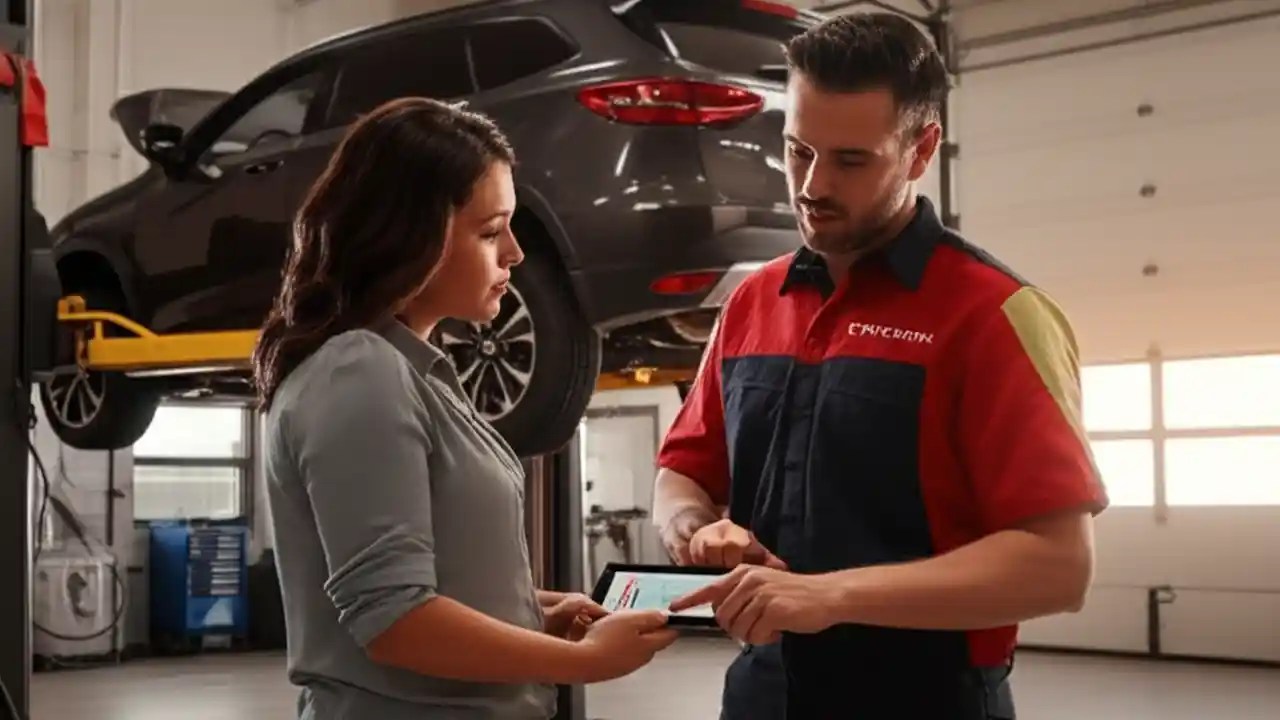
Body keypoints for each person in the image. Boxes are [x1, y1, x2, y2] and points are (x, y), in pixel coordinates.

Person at [653, 12, 1109, 720]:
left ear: (921, 150)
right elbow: (683, 470)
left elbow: (1059, 567)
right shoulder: (750, 302)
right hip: (760, 693)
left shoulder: (994, 316)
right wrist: (693, 528)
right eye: (798, 151)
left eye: (850, 160)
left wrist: (828, 596)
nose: (812, 184)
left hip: (925, 698)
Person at [252, 97, 677, 719]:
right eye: (488, 230)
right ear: (409, 236)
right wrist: (586, 663)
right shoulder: (360, 374)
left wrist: (532, 610)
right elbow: (395, 619)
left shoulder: (411, 371)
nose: (515, 253)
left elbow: (417, 578)